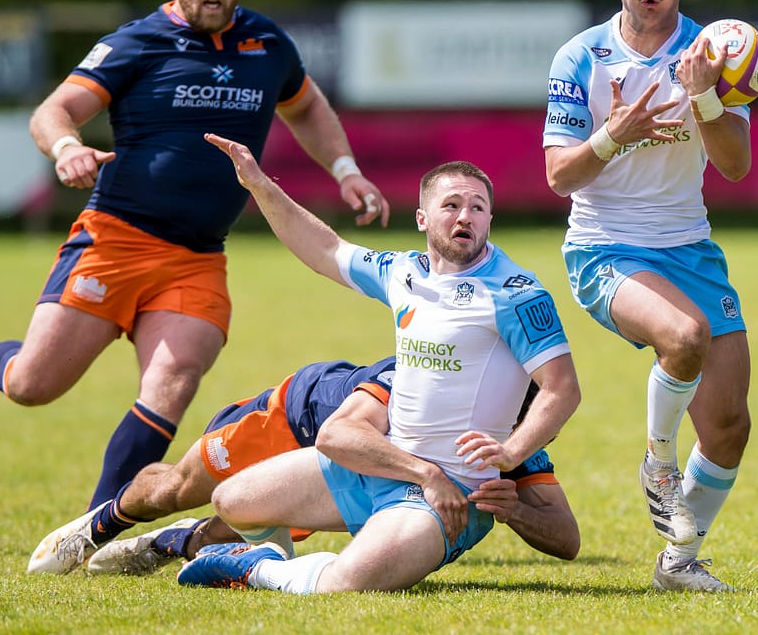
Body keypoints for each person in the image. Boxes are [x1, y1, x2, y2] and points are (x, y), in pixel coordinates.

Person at [0, 0, 389, 511]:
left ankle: (95, 525)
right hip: (115, 240)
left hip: (198, 255)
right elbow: (53, 110)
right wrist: (67, 147)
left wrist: (346, 171)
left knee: (176, 375)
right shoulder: (136, 43)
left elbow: (308, 106)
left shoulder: (268, 46)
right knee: (34, 386)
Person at [175, 137, 581, 594]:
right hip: (388, 465)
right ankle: (275, 560)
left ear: (490, 219)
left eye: (478, 207)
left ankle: (258, 569)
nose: (465, 216)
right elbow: (325, 248)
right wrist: (258, 184)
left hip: (452, 493)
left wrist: (512, 452)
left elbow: (561, 388)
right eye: (451, 205)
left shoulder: (516, 293)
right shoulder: (402, 272)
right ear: (423, 218)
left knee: (344, 587)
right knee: (232, 500)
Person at [542, 0, 753, 593]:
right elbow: (558, 176)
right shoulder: (581, 57)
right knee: (684, 337)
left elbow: (737, 166)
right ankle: (658, 461)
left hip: (688, 246)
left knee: (727, 428)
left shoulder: (714, 53)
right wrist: (614, 134)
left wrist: (704, 100)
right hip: (604, 247)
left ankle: (679, 564)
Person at [26, 356, 579, 575]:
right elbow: (344, 436)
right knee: (177, 487)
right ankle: (100, 526)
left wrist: (516, 513)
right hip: (302, 418)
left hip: (363, 471)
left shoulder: (519, 435)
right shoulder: (426, 380)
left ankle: (168, 545)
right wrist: (428, 475)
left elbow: (565, 537)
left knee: (245, 526)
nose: (530, 440)